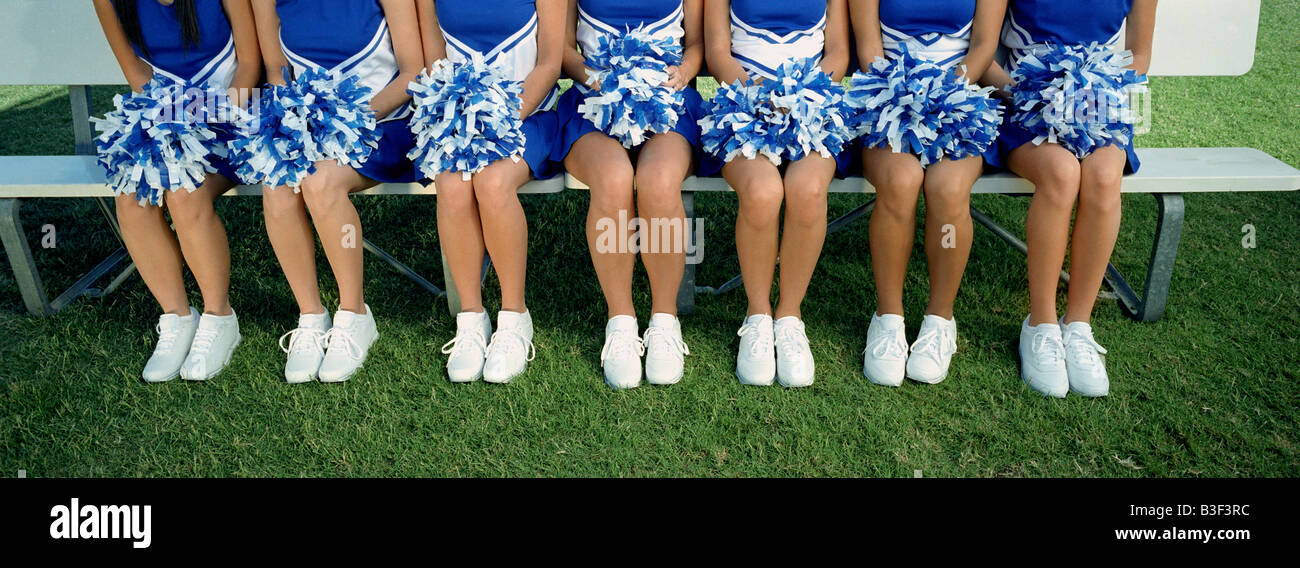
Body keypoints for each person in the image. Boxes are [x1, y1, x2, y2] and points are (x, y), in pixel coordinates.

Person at [985, 0, 1156, 397]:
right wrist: (1038, 94)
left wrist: (1091, 90)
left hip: (1098, 105)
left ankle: (1078, 325)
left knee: (1104, 177)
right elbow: (984, 58)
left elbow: (1139, 55)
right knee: (1061, 173)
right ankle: (1040, 325)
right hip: (1025, 106)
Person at [252, 0, 424, 383]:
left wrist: (347, 121)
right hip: (311, 129)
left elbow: (413, 72)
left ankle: (354, 314)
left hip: (384, 124)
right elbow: (277, 73)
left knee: (321, 182)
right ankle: (311, 317)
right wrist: (294, 123)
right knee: (277, 184)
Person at [91, 0, 261, 382]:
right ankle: (178, 318)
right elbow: (136, 75)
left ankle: (219, 318)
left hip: (236, 115)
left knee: (185, 192)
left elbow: (250, 65)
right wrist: (170, 127)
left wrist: (207, 117)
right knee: (133, 198)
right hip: (170, 118)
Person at [850, 0, 1005, 387]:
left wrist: (944, 95)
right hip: (889, 103)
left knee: (948, 191)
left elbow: (983, 46)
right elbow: (869, 50)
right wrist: (904, 97)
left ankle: (940, 319)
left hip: (959, 103)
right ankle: (888, 319)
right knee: (900, 183)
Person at [554, 0, 704, 389]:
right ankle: (621, 322)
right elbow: (563, 48)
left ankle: (665, 321)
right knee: (614, 178)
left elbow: (697, 44)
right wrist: (596, 79)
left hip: (668, 102)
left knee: (658, 181)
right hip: (593, 101)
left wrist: (683, 72)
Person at [701, 0, 850, 387]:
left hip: (811, 107)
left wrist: (802, 96)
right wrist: (759, 96)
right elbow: (717, 51)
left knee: (808, 190)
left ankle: (789, 318)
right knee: (762, 191)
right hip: (743, 106)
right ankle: (758, 316)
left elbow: (838, 52)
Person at [419, 0, 564, 384]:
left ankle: (514, 317)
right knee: (451, 185)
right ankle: (471, 320)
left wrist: (499, 119)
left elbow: (550, 64)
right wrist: (462, 118)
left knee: (493, 182)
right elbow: (435, 66)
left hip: (529, 115)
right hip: (462, 121)